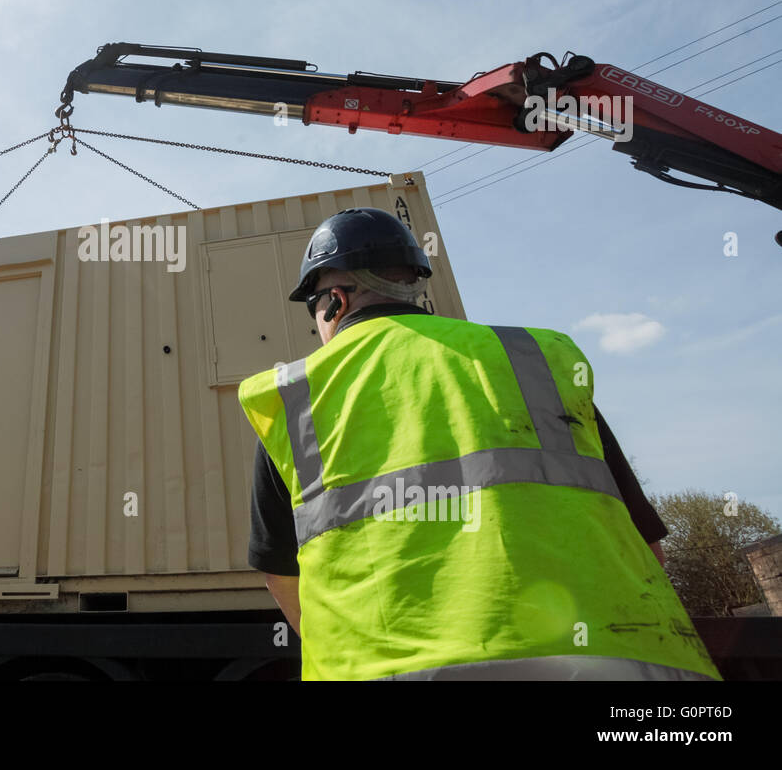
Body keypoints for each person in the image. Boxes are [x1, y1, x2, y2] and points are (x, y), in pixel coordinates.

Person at [237, 207, 721, 680]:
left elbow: (284, 577)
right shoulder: (533, 360)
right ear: (413, 286)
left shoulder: (295, 399)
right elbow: (643, 543)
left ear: (334, 301)